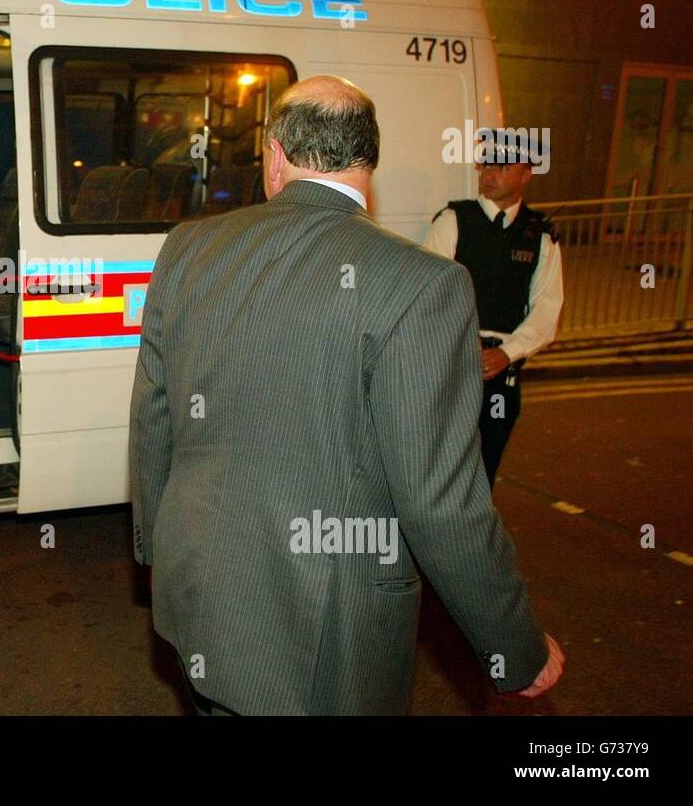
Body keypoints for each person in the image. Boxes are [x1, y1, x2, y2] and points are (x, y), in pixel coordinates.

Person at [129, 76, 564, 715]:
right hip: (323, 642)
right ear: (368, 163)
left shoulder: (189, 247)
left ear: (275, 155)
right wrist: (513, 648)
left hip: (199, 597)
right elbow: (440, 500)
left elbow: (154, 420)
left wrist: (157, 548)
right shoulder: (424, 284)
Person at [424, 130, 564, 489]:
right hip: (454, 366)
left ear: (526, 175)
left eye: (502, 166)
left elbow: (547, 310)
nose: (490, 173)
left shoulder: (540, 236)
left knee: (484, 472)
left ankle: (470, 542)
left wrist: (507, 353)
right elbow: (431, 297)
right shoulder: (454, 221)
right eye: (487, 164)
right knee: (438, 469)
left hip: (503, 373)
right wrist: (460, 346)